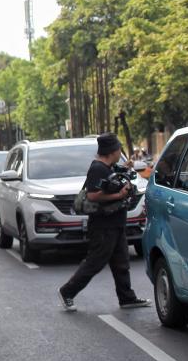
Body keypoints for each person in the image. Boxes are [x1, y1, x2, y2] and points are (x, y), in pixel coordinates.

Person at [58, 133, 149, 312]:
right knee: (95, 262)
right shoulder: (97, 168)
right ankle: (67, 291)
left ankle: (127, 298)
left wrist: (124, 169)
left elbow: (112, 180)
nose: (120, 152)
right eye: (118, 149)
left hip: (116, 223)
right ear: (112, 151)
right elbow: (93, 195)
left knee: (121, 262)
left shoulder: (109, 167)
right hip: (102, 226)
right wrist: (120, 195)